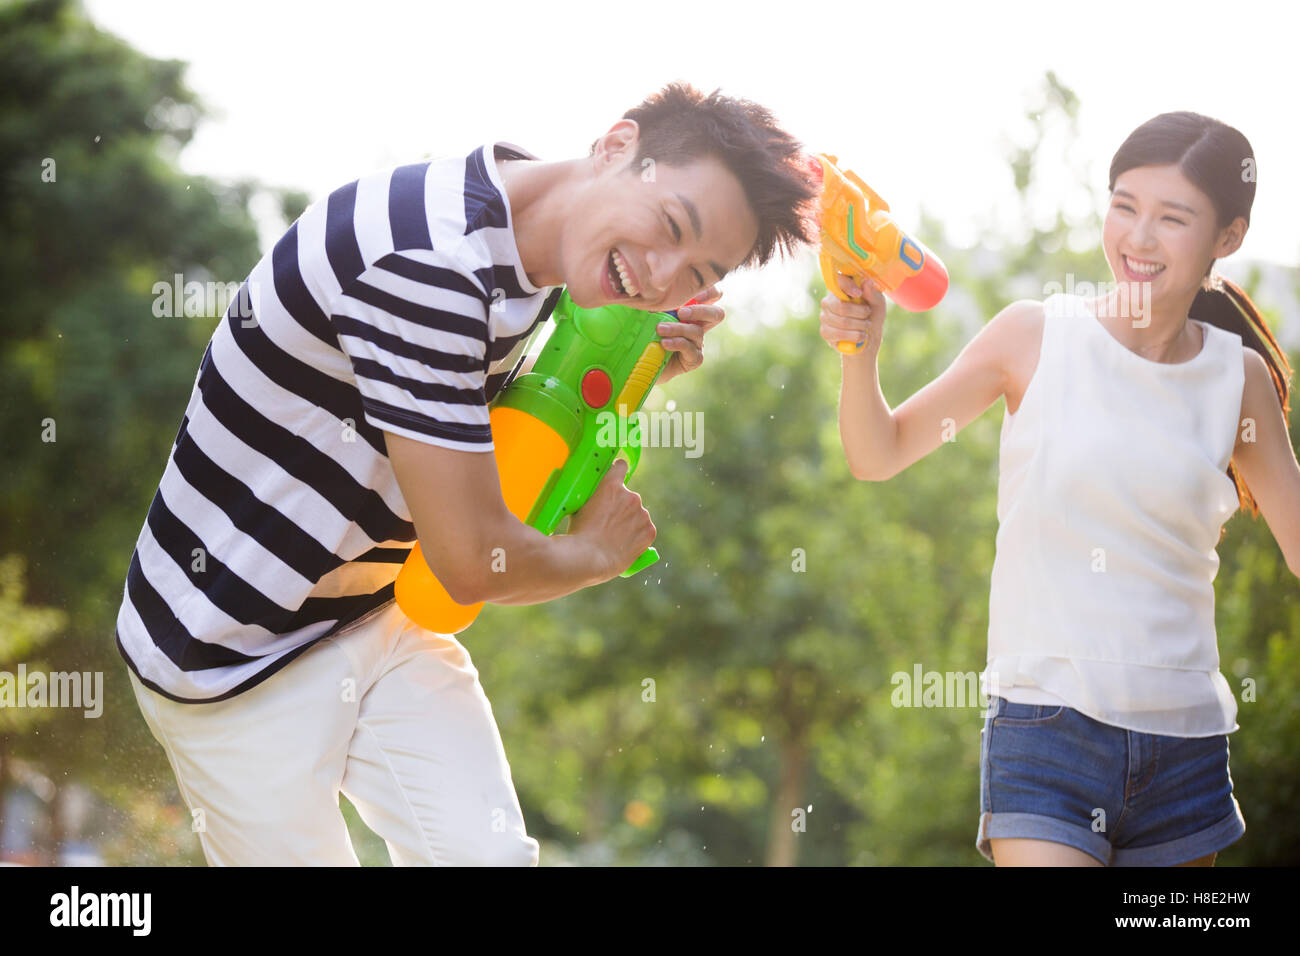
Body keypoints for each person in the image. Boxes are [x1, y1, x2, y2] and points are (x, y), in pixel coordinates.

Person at [118, 81, 818, 865]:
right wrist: (595, 555)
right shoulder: (427, 267)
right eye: (669, 226)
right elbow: (473, 559)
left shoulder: (528, 225)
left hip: (376, 610)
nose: (661, 278)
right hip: (232, 654)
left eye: (699, 272)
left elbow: (524, 430)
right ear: (618, 145)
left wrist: (634, 367)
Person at [820, 111, 1297, 867]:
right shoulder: (1033, 337)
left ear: (1228, 236)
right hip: (1047, 729)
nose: (1138, 238)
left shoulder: (1236, 381)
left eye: (1173, 218)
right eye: (1124, 206)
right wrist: (861, 351)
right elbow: (879, 454)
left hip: (1186, 747)